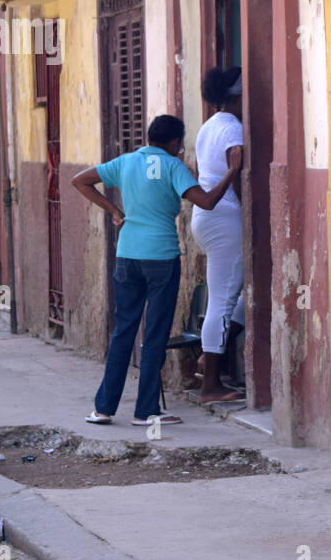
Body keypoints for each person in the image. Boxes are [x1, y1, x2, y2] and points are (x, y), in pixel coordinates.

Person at [73, 114, 240, 425]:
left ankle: (103, 409)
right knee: (155, 334)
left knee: (123, 331)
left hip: (127, 256)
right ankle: (146, 411)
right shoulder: (173, 166)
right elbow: (205, 202)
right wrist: (231, 172)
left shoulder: (125, 162)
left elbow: (79, 180)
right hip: (160, 258)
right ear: (175, 143)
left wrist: (114, 210)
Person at [191, 66, 246, 406]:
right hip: (225, 219)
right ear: (236, 96)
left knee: (234, 296)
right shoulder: (233, 128)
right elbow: (237, 177)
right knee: (223, 302)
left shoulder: (208, 126)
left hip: (207, 220)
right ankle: (210, 384)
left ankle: (208, 358)